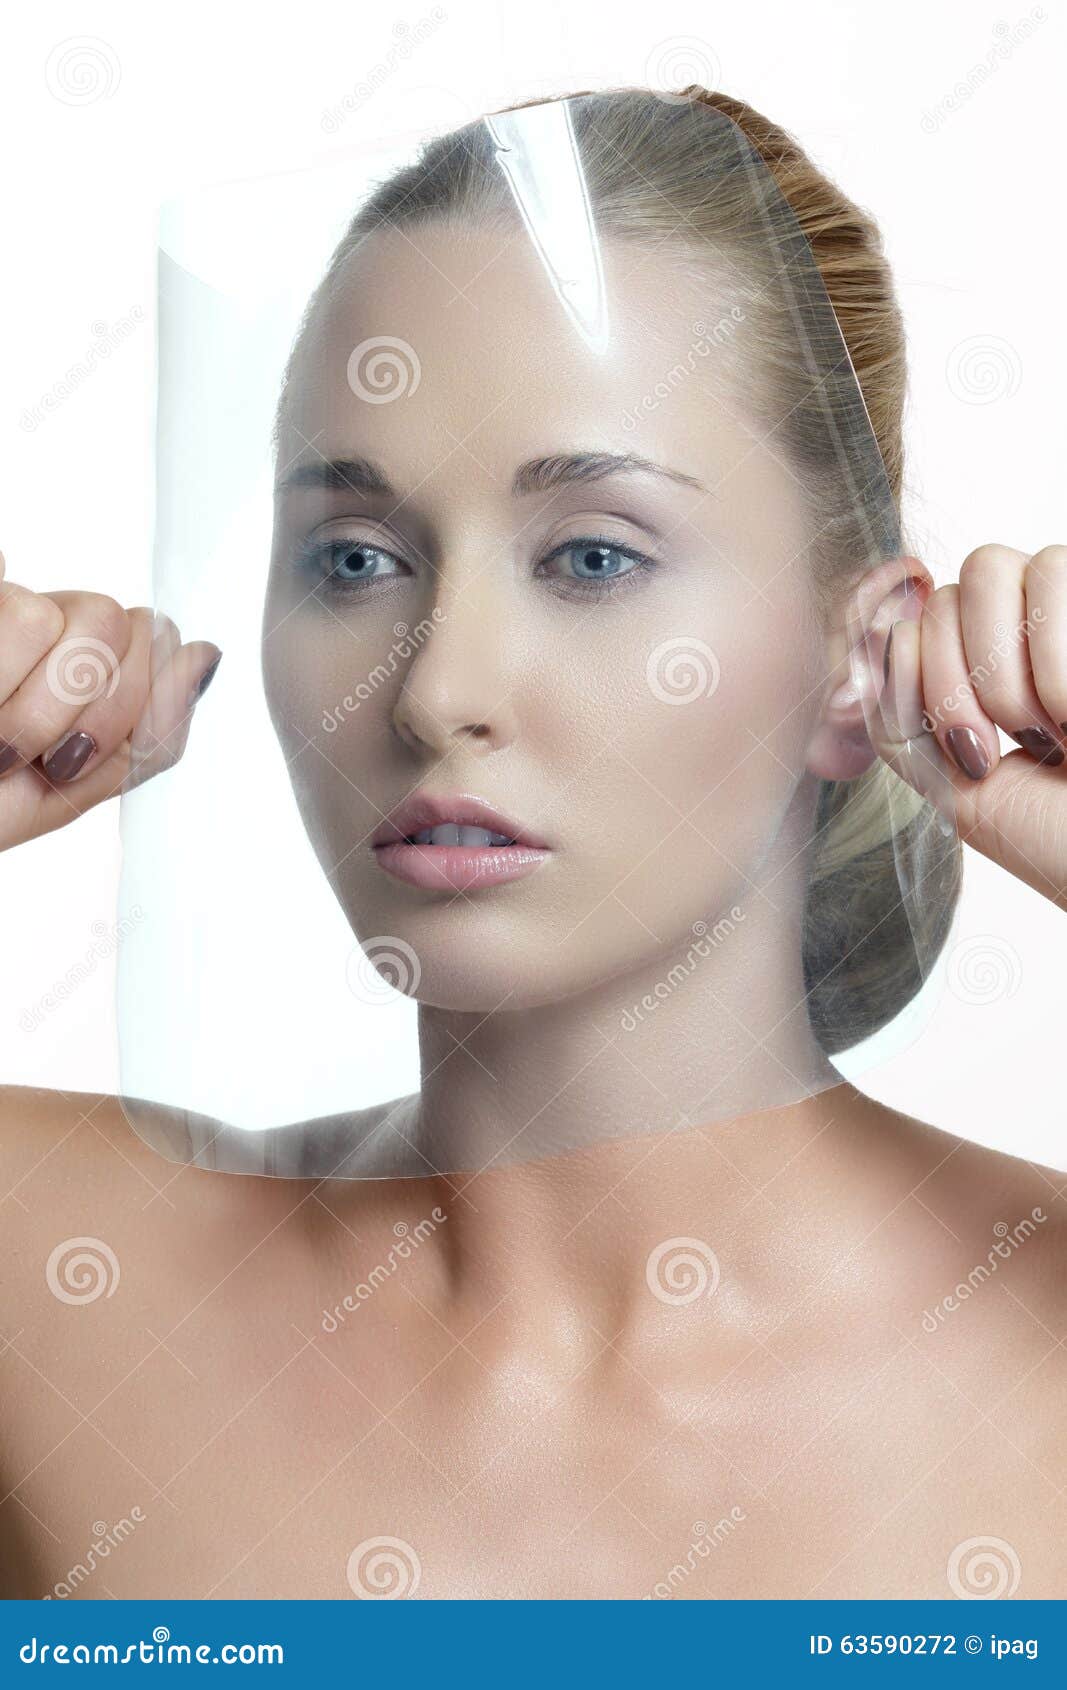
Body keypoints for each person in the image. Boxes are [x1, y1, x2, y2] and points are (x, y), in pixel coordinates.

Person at [2, 86, 1066, 1601]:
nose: (436, 689)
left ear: (862, 659)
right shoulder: (49, 1284)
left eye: (590, 556)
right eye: (356, 558)